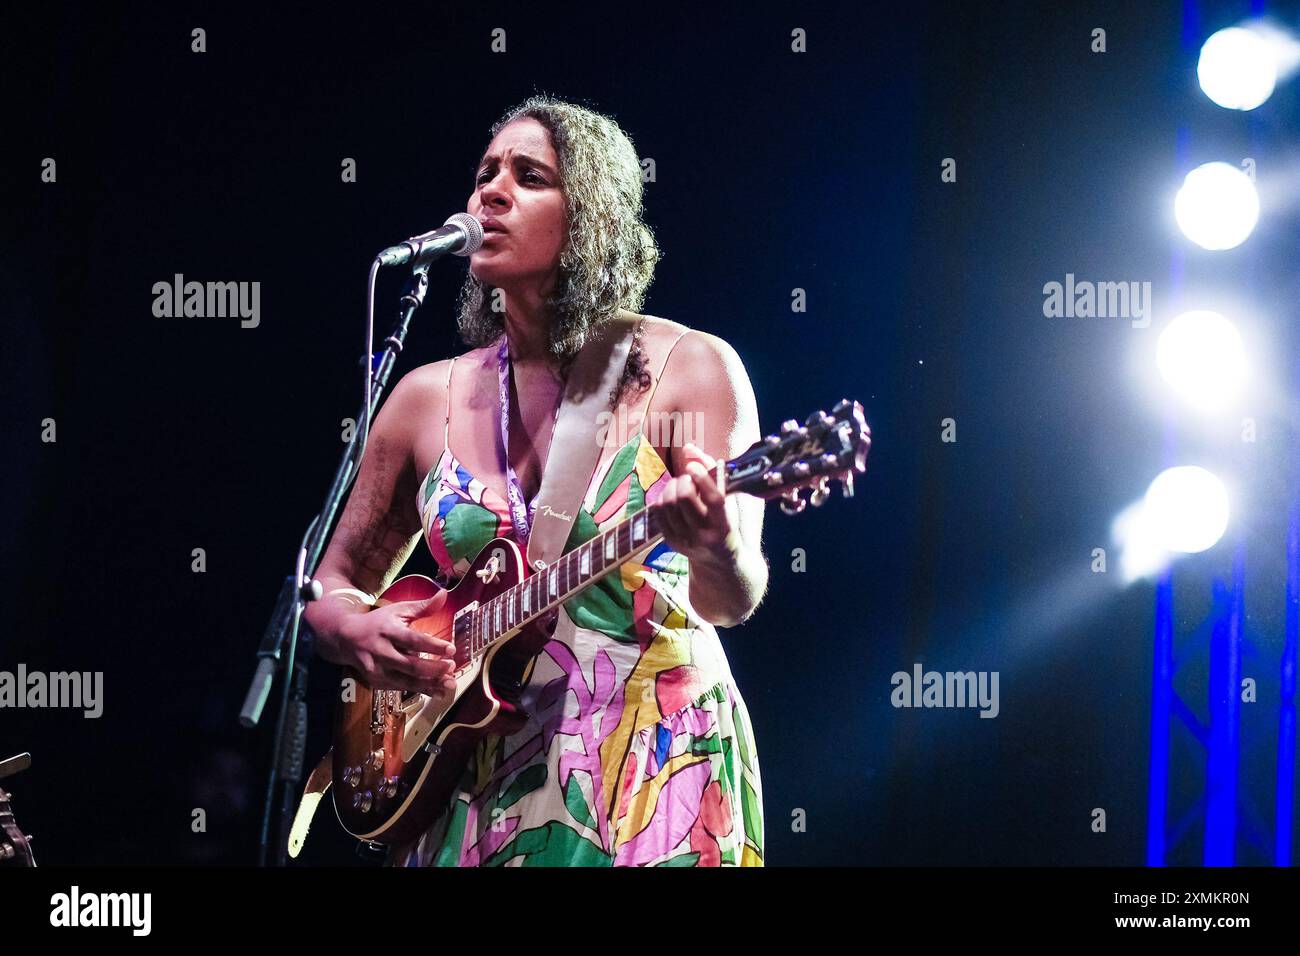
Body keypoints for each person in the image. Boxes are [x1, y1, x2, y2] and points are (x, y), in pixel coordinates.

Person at [304, 96, 768, 866]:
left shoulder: (688, 370)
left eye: (529, 176)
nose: (491, 191)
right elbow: (333, 581)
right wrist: (356, 628)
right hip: (471, 775)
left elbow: (733, 596)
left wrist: (716, 541)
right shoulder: (426, 398)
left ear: (592, 217)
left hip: (648, 769)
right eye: (485, 173)